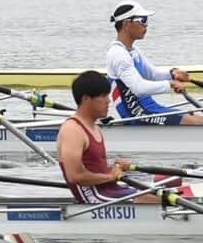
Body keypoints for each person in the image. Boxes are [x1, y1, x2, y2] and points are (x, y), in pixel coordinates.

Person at [58, 69, 167, 206]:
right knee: (162, 200)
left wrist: (115, 167)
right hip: (95, 198)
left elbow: (95, 169)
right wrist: (111, 176)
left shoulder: (94, 126)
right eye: (103, 96)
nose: (109, 101)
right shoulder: (72, 130)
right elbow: (74, 176)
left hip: (110, 190)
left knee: (167, 192)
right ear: (86, 99)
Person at [105, 0, 190, 125]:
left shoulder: (133, 51)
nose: (146, 25)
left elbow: (152, 74)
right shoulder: (118, 54)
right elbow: (138, 88)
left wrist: (173, 73)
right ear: (127, 24)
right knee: (198, 120)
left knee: (200, 117)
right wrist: (170, 84)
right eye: (143, 20)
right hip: (137, 115)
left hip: (150, 109)